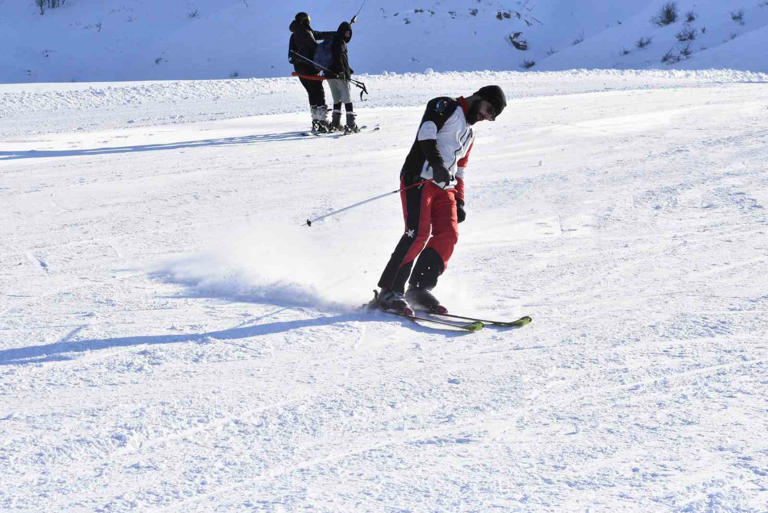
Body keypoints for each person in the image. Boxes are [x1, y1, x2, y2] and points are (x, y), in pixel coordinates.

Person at [376, 85, 507, 314]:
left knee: (449, 234)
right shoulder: (445, 106)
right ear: (480, 97)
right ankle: (390, 289)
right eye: (488, 110)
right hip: (419, 179)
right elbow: (426, 133)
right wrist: (436, 164)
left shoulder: (469, 132)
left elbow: (461, 168)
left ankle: (419, 288)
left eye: (491, 117)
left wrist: (460, 199)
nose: (486, 117)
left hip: (445, 187)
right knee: (418, 233)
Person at [288, 12, 336, 133]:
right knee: (319, 93)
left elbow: (317, 35)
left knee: (312, 93)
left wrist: (335, 33)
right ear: (304, 21)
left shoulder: (295, 34)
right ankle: (322, 123)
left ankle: (315, 121)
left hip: (299, 70)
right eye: (308, 19)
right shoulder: (304, 33)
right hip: (309, 70)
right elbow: (316, 47)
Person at [325, 21, 358, 133]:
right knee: (347, 99)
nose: (348, 35)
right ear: (343, 32)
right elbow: (339, 58)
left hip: (329, 75)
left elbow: (337, 59)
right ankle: (350, 125)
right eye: (347, 33)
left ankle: (335, 123)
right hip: (339, 75)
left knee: (337, 99)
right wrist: (342, 71)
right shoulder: (340, 42)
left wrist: (348, 69)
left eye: (349, 33)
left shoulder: (333, 40)